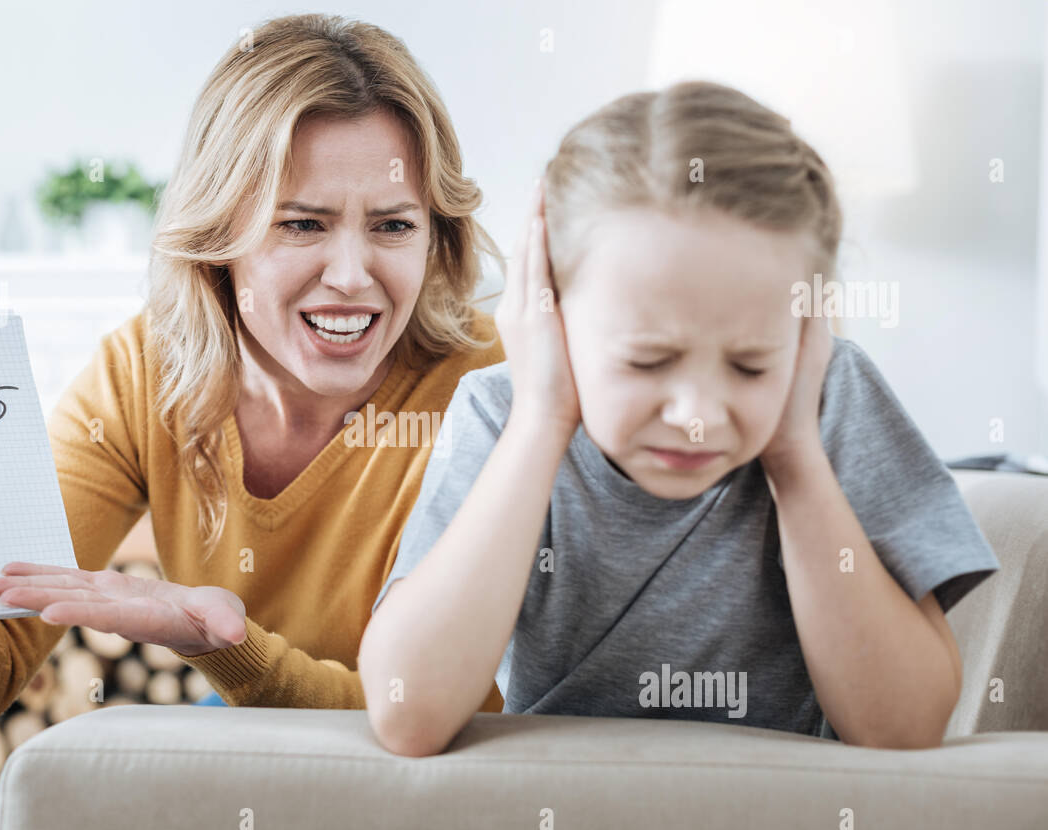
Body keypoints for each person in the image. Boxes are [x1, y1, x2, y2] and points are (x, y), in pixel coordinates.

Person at [0, 12, 509, 748]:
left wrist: (227, 650)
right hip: (259, 734)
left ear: (436, 235)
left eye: (393, 226)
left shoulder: (491, 393)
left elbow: (469, 716)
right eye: (301, 224)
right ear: (219, 241)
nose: (350, 275)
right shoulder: (145, 374)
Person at [359, 81, 1000, 757]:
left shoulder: (830, 396)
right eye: (647, 361)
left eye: (751, 365)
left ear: (806, 327)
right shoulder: (503, 414)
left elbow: (905, 727)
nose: (697, 415)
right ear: (549, 313)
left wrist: (795, 456)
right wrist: (542, 420)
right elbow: (409, 715)